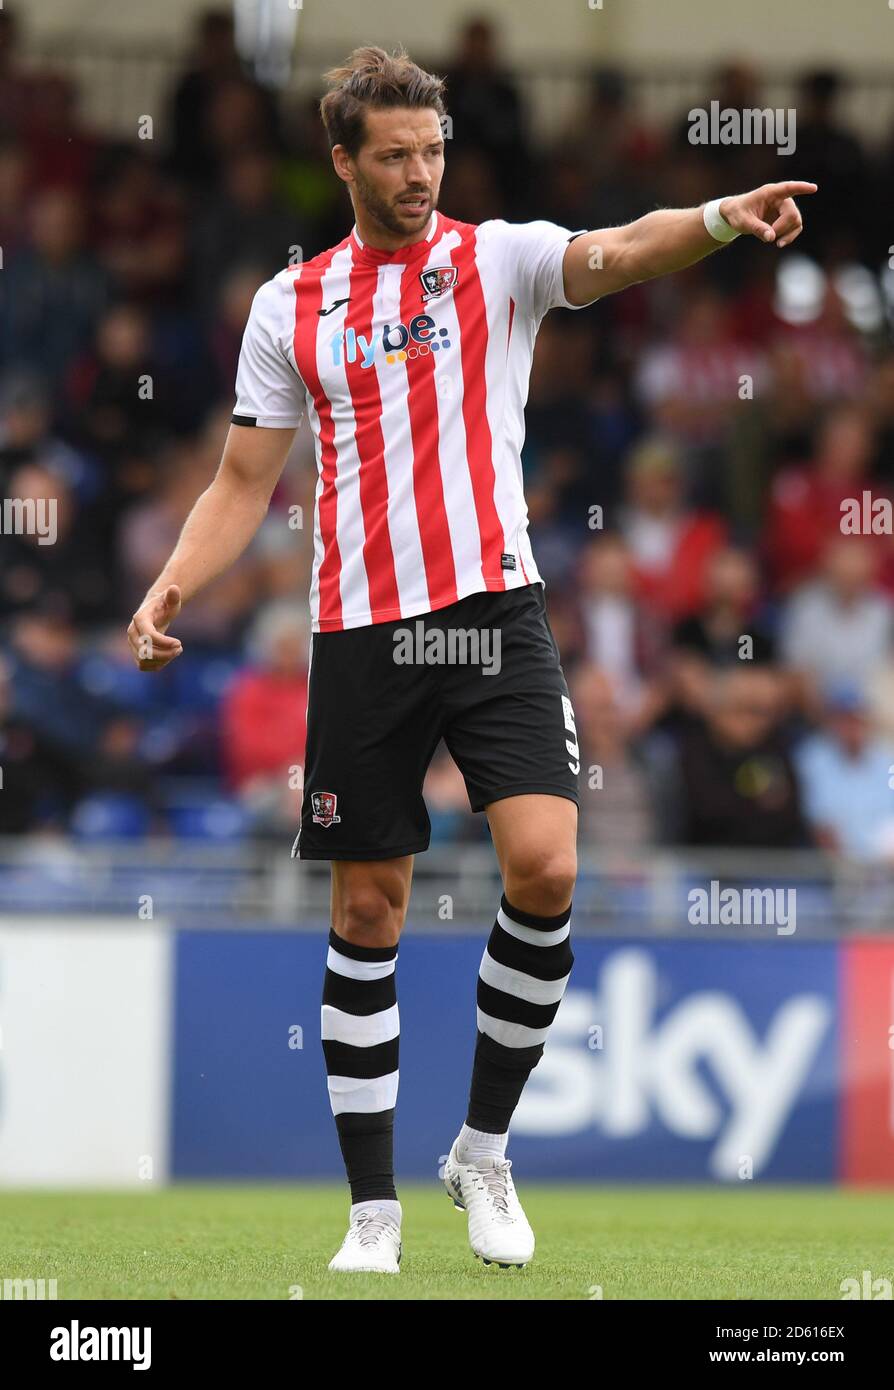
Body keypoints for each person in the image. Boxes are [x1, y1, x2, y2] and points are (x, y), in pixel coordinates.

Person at [127, 45, 816, 1274]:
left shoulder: (492, 259)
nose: (417, 174)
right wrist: (177, 578)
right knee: (369, 905)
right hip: (361, 632)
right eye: (393, 155)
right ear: (342, 161)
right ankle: (371, 1213)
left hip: (497, 612)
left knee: (547, 867)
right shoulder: (291, 307)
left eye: (432, 151)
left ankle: (484, 1150)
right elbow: (244, 479)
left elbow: (616, 249)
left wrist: (717, 215)